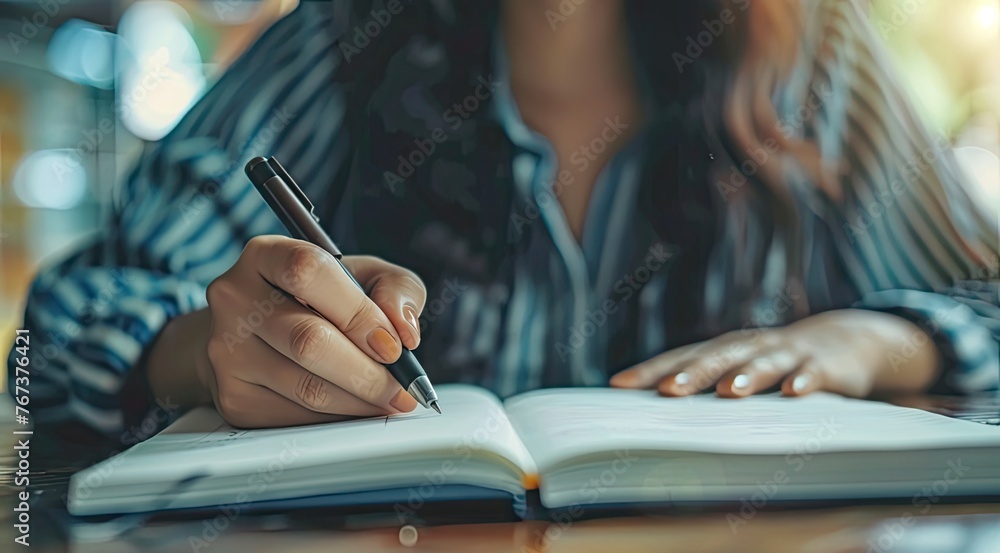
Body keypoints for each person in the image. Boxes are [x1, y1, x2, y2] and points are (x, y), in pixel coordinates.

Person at [10, 0, 998, 436]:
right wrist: (199, 353)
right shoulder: (338, 40)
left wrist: (879, 341)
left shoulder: (809, 50)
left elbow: (984, 300)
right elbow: (45, 349)